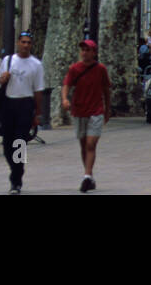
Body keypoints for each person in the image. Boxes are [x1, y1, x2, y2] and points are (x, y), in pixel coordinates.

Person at [61, 39, 112, 193]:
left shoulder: (101, 69)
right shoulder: (74, 69)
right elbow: (66, 85)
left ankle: (87, 175)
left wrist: (107, 109)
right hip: (79, 111)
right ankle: (89, 176)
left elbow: (106, 90)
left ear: (94, 53)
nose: (84, 53)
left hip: (96, 110)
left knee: (91, 144)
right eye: (82, 50)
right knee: (83, 145)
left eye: (88, 50)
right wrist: (64, 99)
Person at [0, 31, 45, 194]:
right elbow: (0, 81)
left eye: (28, 43)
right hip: (9, 104)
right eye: (23, 42)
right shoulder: (8, 60)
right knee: (7, 146)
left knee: (20, 142)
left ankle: (16, 180)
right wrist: (4, 78)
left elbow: (38, 91)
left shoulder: (36, 65)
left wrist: (38, 113)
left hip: (26, 104)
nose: (25, 45)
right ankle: (15, 169)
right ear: (18, 43)